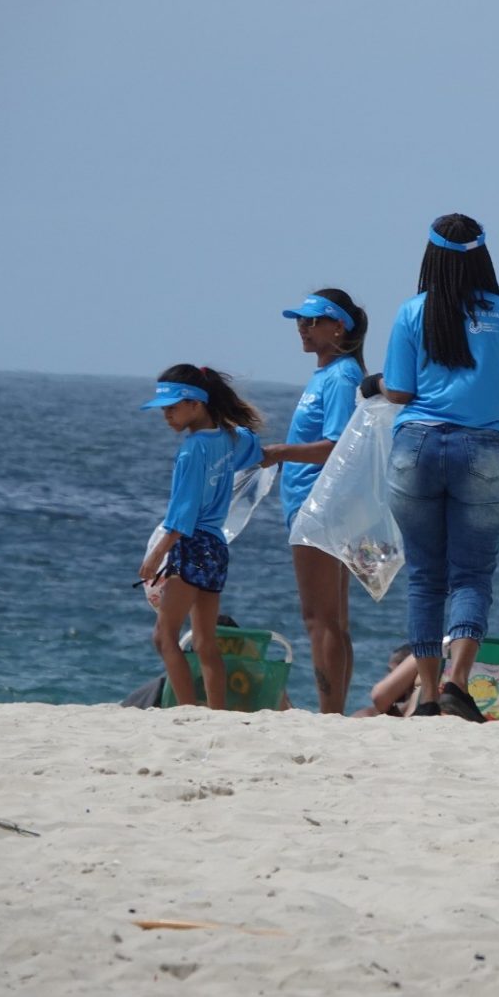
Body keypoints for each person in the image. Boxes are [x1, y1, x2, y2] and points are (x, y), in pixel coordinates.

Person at [376, 214, 499, 720]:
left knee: (425, 576)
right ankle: (457, 682)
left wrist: (378, 386)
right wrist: (485, 419)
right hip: (482, 446)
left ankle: (425, 695)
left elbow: (399, 392)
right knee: (472, 574)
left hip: (416, 448)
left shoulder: (411, 313)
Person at [259, 288, 368, 714]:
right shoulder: (327, 374)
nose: (302, 328)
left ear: (337, 326)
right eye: (299, 321)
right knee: (333, 619)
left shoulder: (340, 376)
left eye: (311, 321)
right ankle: (334, 709)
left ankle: (329, 713)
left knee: (320, 619)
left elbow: (337, 444)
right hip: (313, 504)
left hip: (318, 506)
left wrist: (280, 453)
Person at [138, 365, 265, 710]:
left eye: (172, 407)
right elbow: (254, 447)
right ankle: (216, 712)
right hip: (217, 548)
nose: (166, 416)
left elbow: (184, 511)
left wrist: (155, 555)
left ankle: (186, 710)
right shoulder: (228, 438)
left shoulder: (192, 449)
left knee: (164, 637)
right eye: (164, 409)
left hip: (191, 545)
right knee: (206, 641)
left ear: (196, 404)